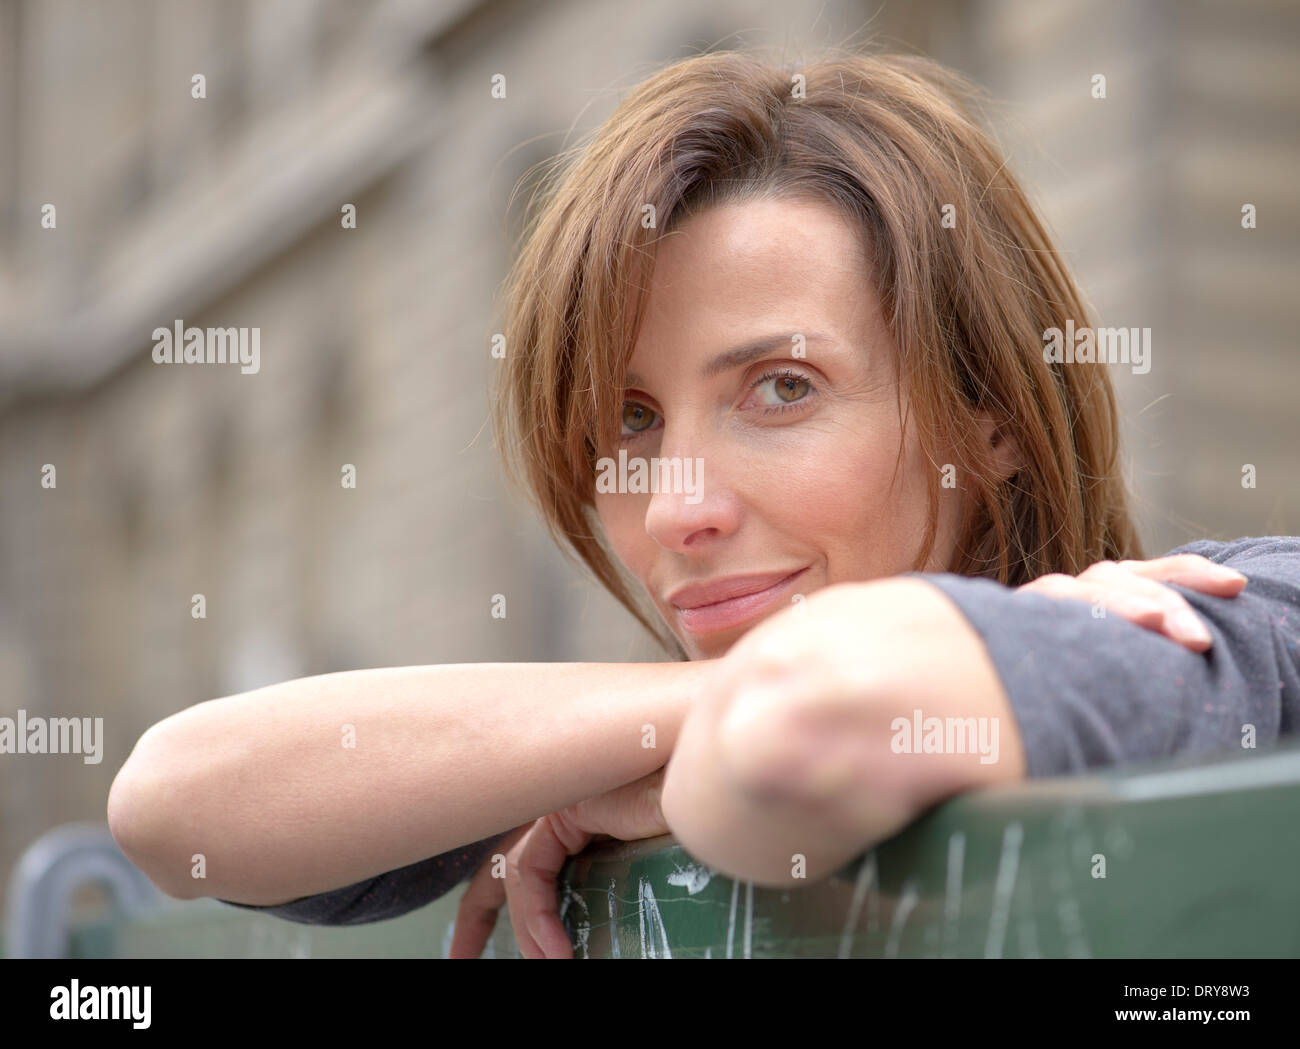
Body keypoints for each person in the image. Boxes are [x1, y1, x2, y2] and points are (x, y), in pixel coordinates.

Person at [105, 48, 1300, 960]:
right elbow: (173, 799)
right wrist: (662, 731)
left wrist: (679, 748)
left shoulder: (1221, 627)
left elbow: (798, 741)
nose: (674, 509)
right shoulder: (612, 760)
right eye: (631, 420)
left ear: (987, 415)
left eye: (781, 388)